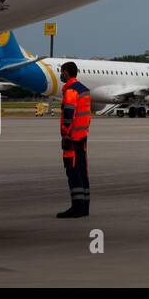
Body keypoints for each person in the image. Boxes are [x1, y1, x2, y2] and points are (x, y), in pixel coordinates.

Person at [57, 61, 91, 218]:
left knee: (72, 171)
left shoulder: (70, 91)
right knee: (83, 172)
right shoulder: (84, 90)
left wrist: (65, 134)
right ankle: (84, 207)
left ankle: (77, 207)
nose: (61, 75)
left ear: (66, 72)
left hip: (72, 138)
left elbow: (69, 115)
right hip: (82, 137)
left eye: (62, 72)